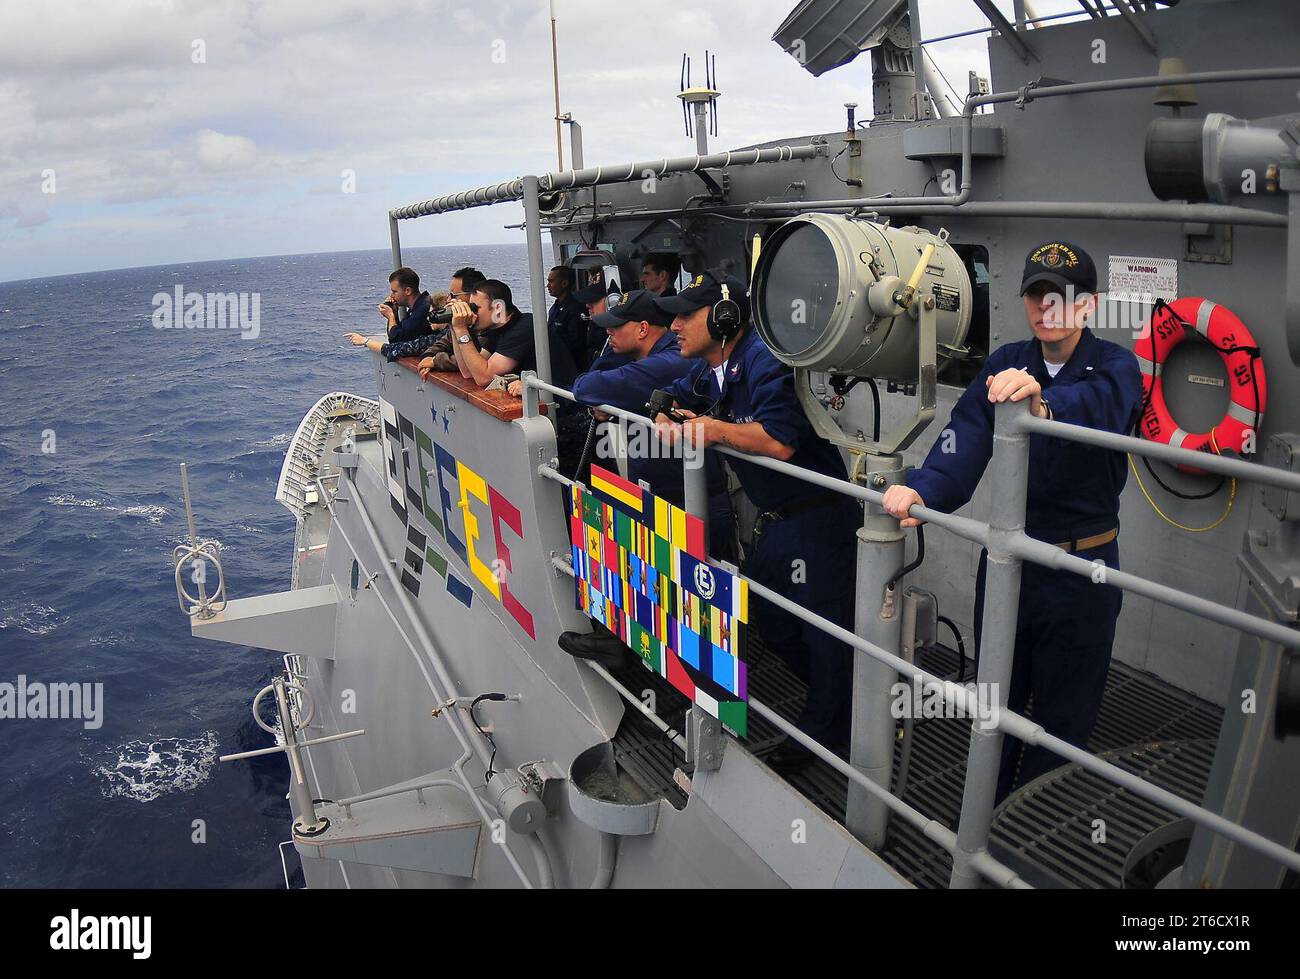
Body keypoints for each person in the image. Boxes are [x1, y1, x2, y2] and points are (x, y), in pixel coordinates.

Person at [881, 240, 1142, 803]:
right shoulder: (1004, 364)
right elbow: (964, 440)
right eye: (1038, 295)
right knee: (993, 706)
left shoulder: (1117, 366)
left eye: (1063, 297)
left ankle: (1027, 833)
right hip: (1007, 569)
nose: (1049, 308)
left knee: (1063, 720)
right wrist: (921, 492)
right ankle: (982, 820)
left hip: (1083, 571)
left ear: (1088, 306)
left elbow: (1103, 405)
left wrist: (1042, 403)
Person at [653, 271, 860, 769]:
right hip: (776, 521)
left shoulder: (766, 362)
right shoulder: (717, 368)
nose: (675, 325)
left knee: (822, 632)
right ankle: (845, 701)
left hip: (817, 521)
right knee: (771, 621)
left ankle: (828, 734)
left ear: (725, 318)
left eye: (686, 315)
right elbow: (677, 391)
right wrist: (662, 410)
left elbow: (778, 441)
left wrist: (708, 428)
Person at [445, 279, 576, 389]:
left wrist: (461, 329)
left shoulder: (525, 327)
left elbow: (483, 377)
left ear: (498, 308)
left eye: (476, 308)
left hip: (559, 405)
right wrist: (454, 327)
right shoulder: (499, 328)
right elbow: (468, 372)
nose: (472, 313)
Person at [547, 265, 589, 372]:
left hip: (571, 366)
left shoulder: (575, 309)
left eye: (551, 281)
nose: (548, 285)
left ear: (564, 283)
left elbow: (576, 343)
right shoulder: (555, 307)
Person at [379, 267, 433, 345]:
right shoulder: (417, 307)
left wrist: (390, 316)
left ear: (408, 291)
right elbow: (400, 332)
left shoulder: (422, 311)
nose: (392, 296)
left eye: (394, 292)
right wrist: (394, 312)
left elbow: (397, 340)